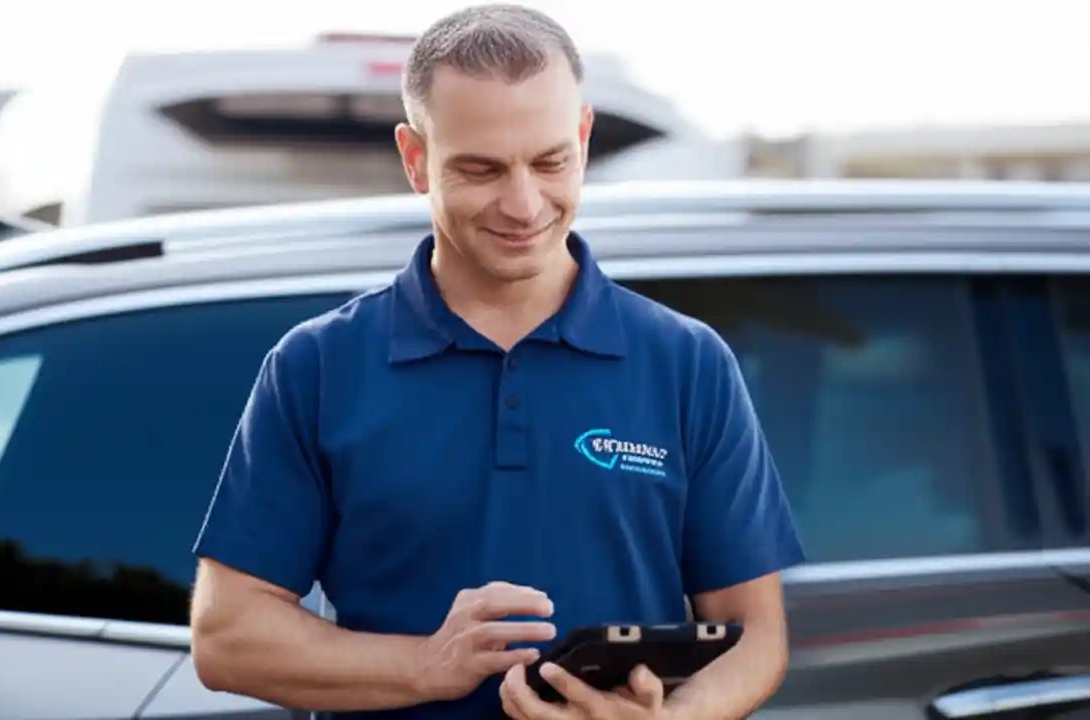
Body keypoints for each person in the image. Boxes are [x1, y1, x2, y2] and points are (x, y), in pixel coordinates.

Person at [189, 4, 805, 718]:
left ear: (582, 135)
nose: (523, 204)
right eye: (481, 169)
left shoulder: (687, 362)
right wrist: (424, 665)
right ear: (415, 159)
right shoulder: (317, 367)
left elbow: (756, 634)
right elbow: (227, 637)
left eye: (550, 162)